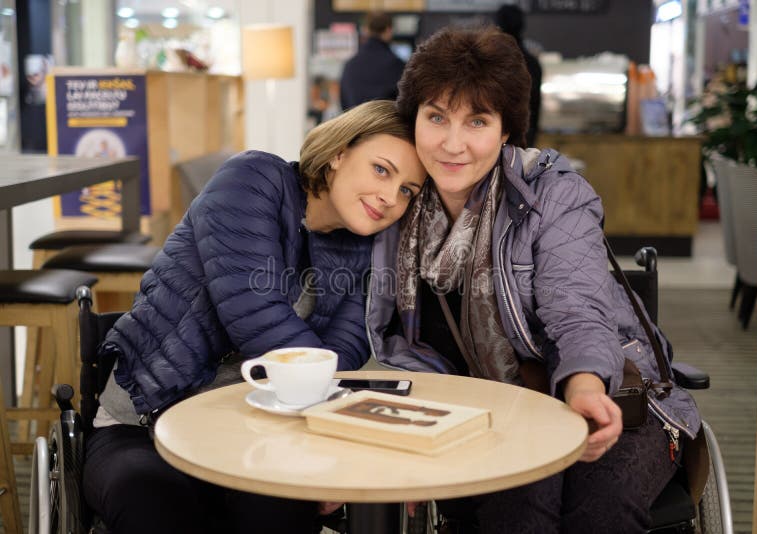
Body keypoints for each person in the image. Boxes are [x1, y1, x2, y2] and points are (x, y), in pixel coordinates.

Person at [366, 27, 702, 533]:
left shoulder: (553, 197)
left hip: (614, 396)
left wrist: (585, 386)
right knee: (518, 504)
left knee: (599, 508)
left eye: (477, 121)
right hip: (487, 411)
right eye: (436, 117)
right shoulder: (392, 206)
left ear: (506, 131)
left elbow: (577, 310)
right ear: (412, 119)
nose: (452, 144)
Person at [82, 99, 427, 534]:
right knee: (153, 504)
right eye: (381, 170)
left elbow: (339, 359)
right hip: (146, 425)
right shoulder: (252, 180)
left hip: (257, 438)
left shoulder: (372, 253)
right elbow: (254, 314)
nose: (390, 198)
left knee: (283, 509)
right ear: (339, 153)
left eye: (407, 190)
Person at [494, 4, 542, 147]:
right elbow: (535, 107)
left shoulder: (490, 61)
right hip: (524, 140)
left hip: (495, 140)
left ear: (498, 25)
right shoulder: (533, 63)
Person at [339, 11, 405, 110]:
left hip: (355, 119)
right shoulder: (396, 65)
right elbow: (406, 103)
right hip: (385, 119)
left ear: (366, 30)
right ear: (389, 30)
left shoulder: (350, 65)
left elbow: (344, 103)